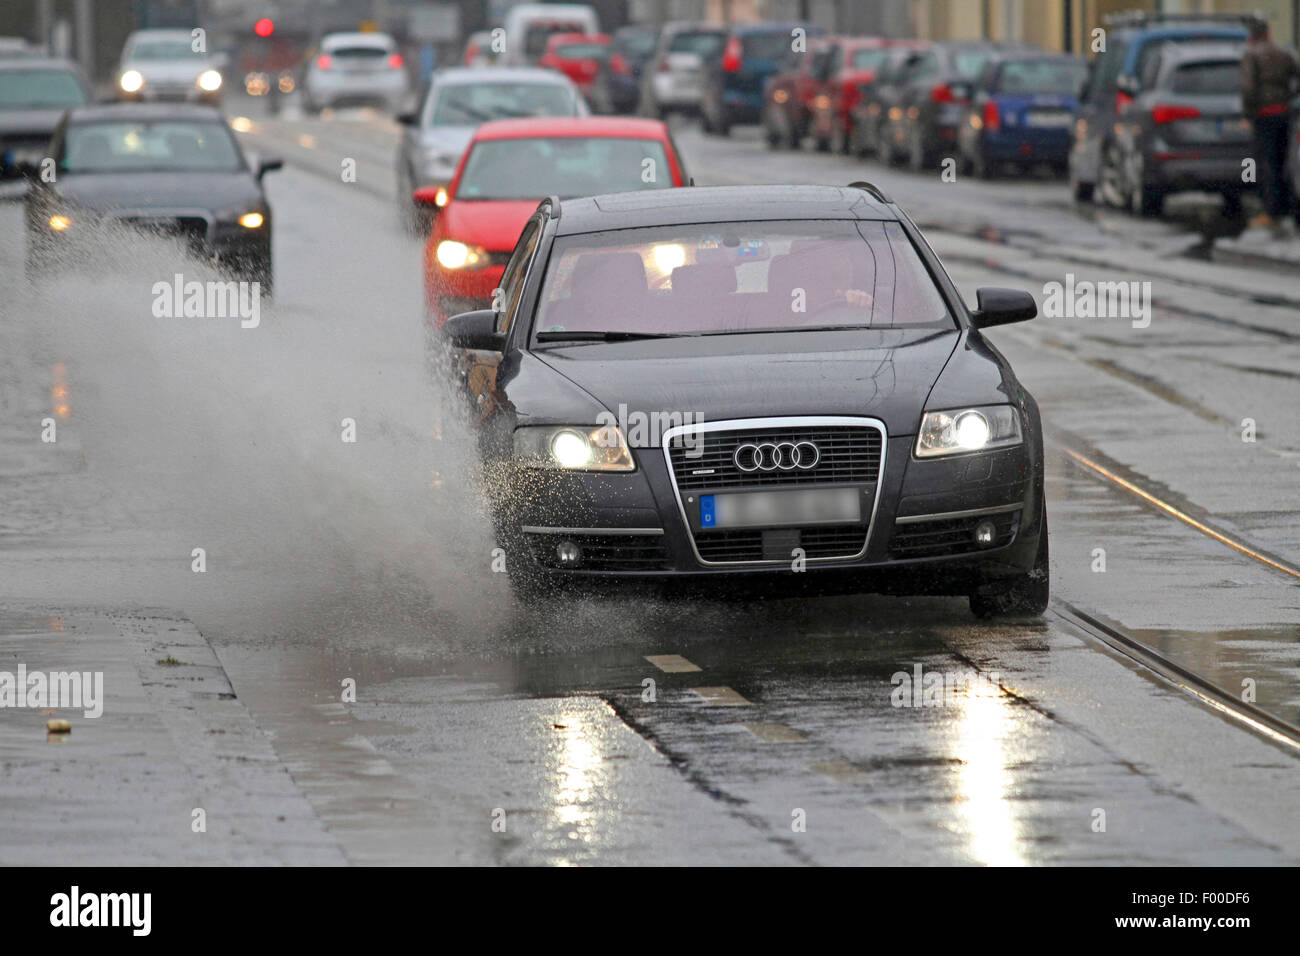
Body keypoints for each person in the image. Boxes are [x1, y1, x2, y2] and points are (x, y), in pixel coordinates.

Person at [1241, 19, 1300, 231]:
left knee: (1266, 164)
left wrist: (1248, 114)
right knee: (1284, 162)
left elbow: (1248, 88)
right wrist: (1288, 96)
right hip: (1284, 113)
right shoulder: (1283, 53)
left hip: (1263, 115)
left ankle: (1271, 211)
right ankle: (1290, 209)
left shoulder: (1252, 55)